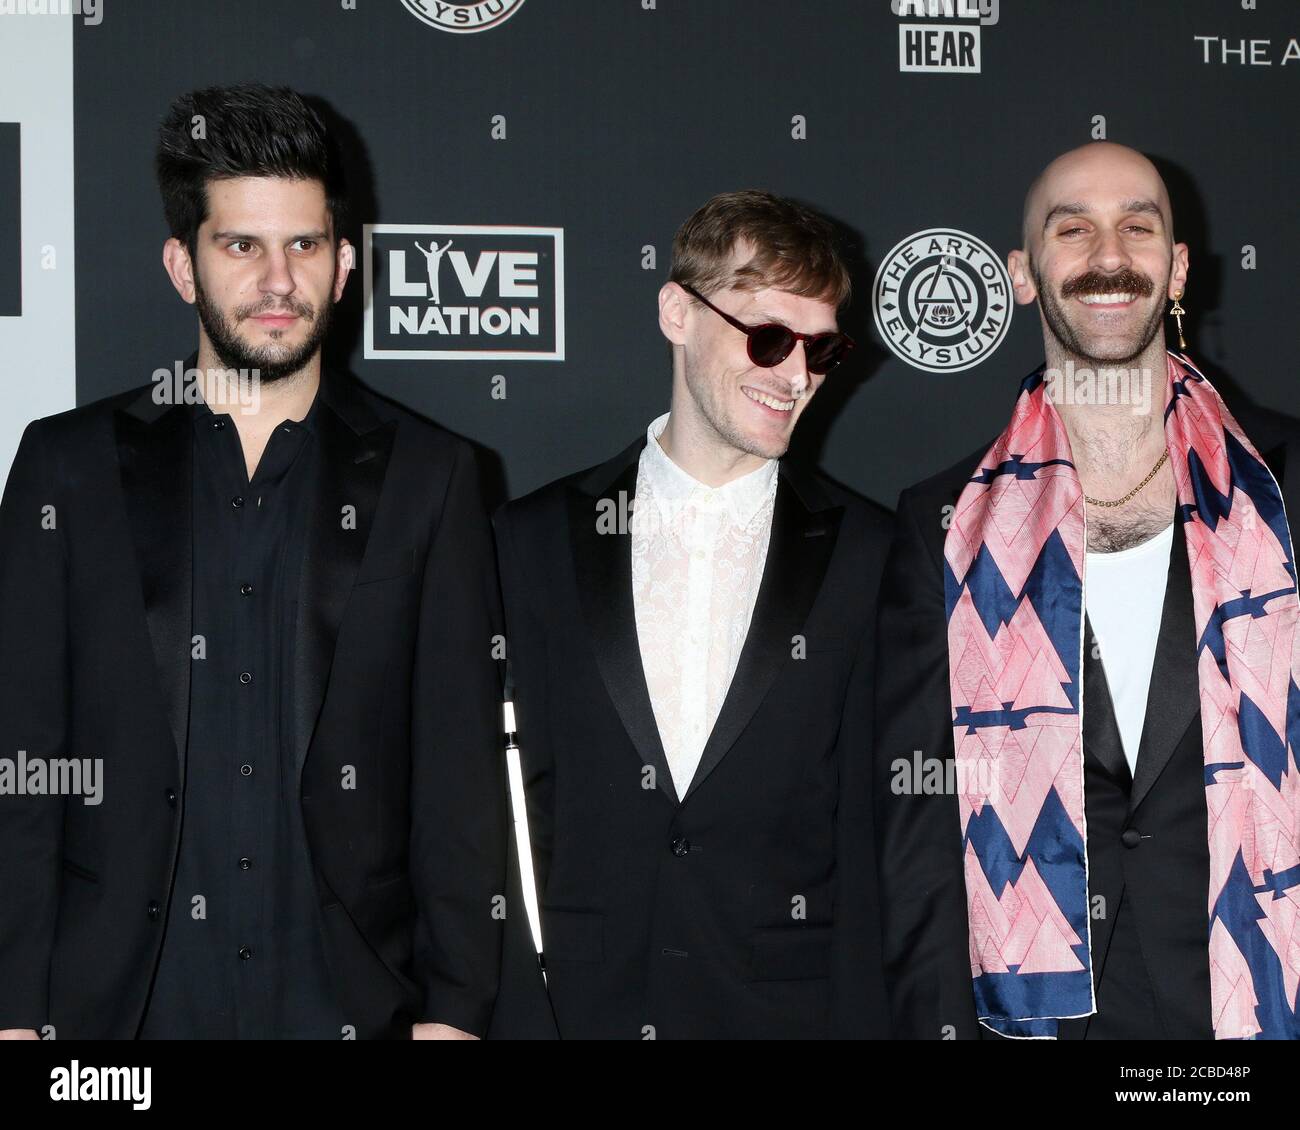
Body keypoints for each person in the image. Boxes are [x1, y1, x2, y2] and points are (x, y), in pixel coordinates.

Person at [0, 84, 506, 1040]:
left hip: (349, 1005)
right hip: (119, 1016)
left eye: (304, 245)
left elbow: (457, 774)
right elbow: (19, 754)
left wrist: (455, 1015)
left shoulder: (430, 477)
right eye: (241, 246)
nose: (278, 279)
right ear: (182, 267)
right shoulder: (67, 465)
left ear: (344, 262)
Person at [875, 141, 1300, 1040]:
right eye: (1074, 230)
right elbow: (920, 823)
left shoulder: (1286, 487)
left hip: (1259, 1003)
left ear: (1177, 269)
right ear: (1023, 275)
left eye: (1137, 228)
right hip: (1039, 1019)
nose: (1110, 257)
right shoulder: (941, 523)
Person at [490, 190, 891, 1039]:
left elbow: (875, 839)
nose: (795, 377)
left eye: (822, 352)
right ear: (678, 310)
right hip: (568, 1015)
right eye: (771, 337)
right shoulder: (529, 541)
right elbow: (483, 809)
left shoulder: (871, 556)